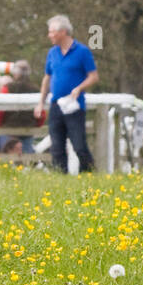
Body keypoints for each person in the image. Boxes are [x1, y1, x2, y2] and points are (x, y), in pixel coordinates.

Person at [36, 15, 99, 174]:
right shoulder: (52, 53)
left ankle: (88, 174)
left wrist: (80, 87)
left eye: (52, 32)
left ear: (63, 32)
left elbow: (93, 76)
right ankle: (60, 177)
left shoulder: (82, 52)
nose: (49, 35)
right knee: (56, 145)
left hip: (74, 106)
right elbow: (47, 78)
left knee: (79, 145)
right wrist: (41, 102)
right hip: (56, 104)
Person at [0, 59, 39, 154]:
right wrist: (36, 124)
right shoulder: (35, 89)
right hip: (28, 128)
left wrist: (0, 124)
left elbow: (1, 109)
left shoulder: (7, 87)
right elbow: (41, 112)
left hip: (9, 129)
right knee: (27, 159)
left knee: (8, 158)